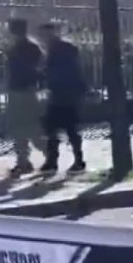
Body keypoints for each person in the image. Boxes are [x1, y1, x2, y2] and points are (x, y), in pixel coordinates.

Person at [39, 22, 86, 173]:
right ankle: (57, 161)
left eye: (46, 34)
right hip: (61, 93)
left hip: (65, 93)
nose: (43, 38)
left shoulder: (61, 49)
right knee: (57, 128)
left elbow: (69, 70)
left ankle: (68, 161)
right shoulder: (59, 48)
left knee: (64, 128)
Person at [6, 18, 45, 175]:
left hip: (26, 91)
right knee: (18, 127)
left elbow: (40, 68)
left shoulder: (31, 47)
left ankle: (49, 153)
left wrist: (35, 82)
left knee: (32, 128)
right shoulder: (17, 47)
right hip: (16, 89)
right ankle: (23, 160)